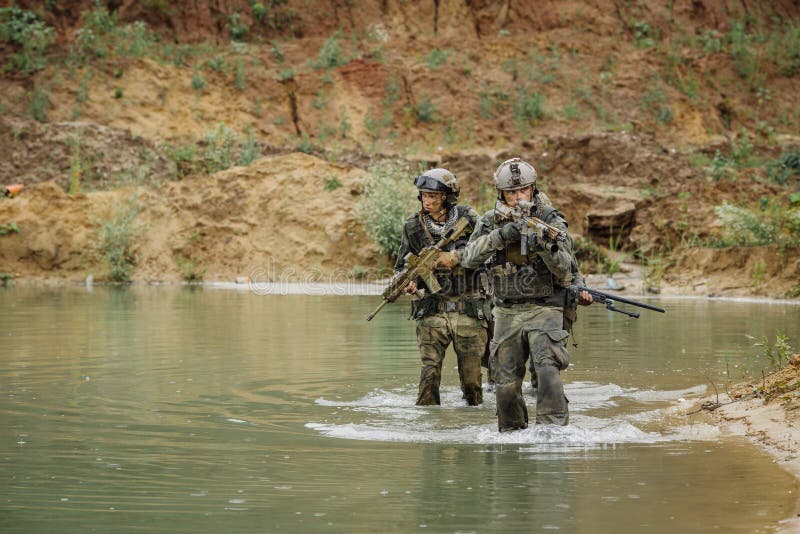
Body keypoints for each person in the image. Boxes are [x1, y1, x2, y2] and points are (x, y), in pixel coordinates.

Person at [458, 157, 592, 430]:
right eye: (511, 192)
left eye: (524, 190)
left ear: (533, 188)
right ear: (501, 193)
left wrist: (542, 243)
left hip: (546, 307)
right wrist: (502, 235)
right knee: (505, 383)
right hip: (506, 310)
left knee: (547, 372)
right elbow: (468, 258)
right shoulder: (490, 221)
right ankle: (511, 437)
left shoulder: (549, 219)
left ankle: (553, 432)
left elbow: (566, 268)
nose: (518, 197)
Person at [394, 168, 488, 406]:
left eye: (433, 196)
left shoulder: (469, 218)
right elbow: (400, 266)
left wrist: (454, 257)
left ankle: (473, 422)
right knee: (429, 374)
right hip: (432, 310)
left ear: (447, 197)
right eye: (424, 195)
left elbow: (487, 252)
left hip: (467, 309)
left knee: (472, 380)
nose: (427, 200)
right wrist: (409, 284)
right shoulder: (413, 226)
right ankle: (428, 424)